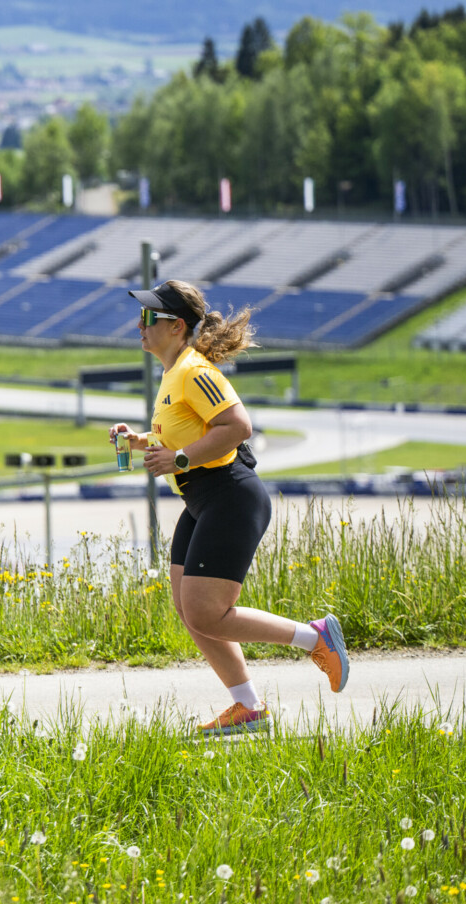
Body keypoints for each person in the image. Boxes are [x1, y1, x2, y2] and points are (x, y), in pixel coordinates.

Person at [109, 280, 348, 736]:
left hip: (229, 495)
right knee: (188, 607)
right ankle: (248, 707)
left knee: (206, 612)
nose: (138, 326)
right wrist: (145, 441)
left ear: (176, 326)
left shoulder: (194, 370)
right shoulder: (174, 371)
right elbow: (192, 431)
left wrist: (178, 459)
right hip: (203, 497)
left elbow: (238, 426)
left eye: (147, 318)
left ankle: (315, 637)